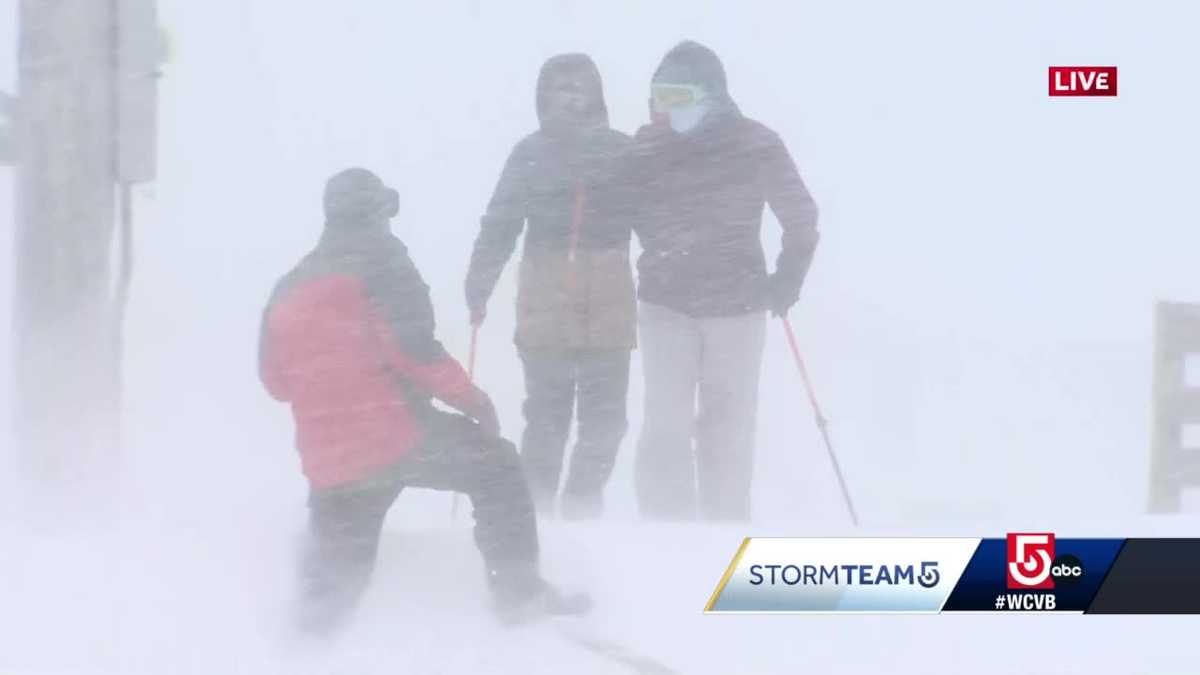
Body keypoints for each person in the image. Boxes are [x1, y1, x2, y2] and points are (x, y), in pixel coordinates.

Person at [259, 168, 590, 634]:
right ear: (380, 211)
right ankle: (519, 594)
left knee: (331, 596)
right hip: (395, 440)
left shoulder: (288, 286)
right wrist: (474, 402)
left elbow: (275, 382)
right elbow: (415, 350)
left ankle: (299, 648)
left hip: (329, 463)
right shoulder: (384, 260)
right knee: (496, 466)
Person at [625, 41, 820, 521]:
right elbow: (619, 210)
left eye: (681, 96)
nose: (671, 109)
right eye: (662, 97)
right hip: (665, 303)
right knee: (665, 422)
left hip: (738, 306)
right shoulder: (647, 146)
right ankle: (664, 528)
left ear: (712, 95)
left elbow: (800, 216)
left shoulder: (756, 143)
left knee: (728, 423)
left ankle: (724, 526)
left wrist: (787, 279)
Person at [465, 54, 635, 519]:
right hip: (546, 296)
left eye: (579, 87)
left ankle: (582, 506)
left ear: (596, 94)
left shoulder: (623, 151)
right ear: (543, 96)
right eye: (560, 87)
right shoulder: (530, 153)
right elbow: (500, 222)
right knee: (547, 416)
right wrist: (479, 281)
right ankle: (536, 514)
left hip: (609, 297)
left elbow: (653, 217)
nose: (570, 97)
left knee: (605, 419)